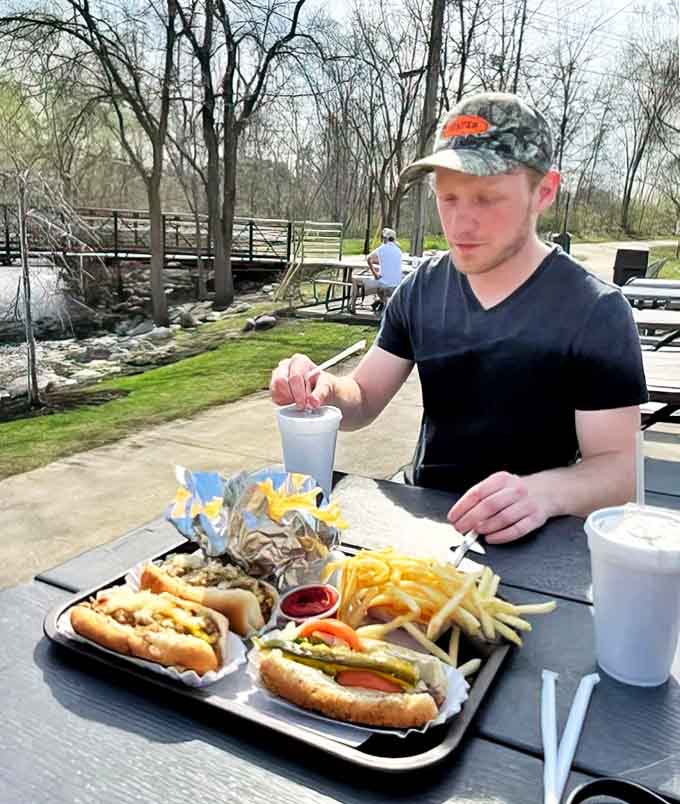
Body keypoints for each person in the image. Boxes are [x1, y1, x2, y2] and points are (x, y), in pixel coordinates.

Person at [270, 92, 647, 545]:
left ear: (543, 192)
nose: (461, 223)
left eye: (487, 199)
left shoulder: (595, 311)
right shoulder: (421, 289)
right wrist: (325, 389)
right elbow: (364, 399)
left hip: (537, 541)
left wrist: (541, 493)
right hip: (423, 526)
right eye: (447, 198)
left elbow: (616, 471)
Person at [349, 228, 403, 314]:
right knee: (380, 289)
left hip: (384, 283)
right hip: (396, 284)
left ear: (385, 238)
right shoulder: (399, 251)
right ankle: (385, 305)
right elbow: (389, 263)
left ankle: (352, 307)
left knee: (355, 279)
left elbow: (368, 259)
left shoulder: (382, 248)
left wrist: (375, 273)